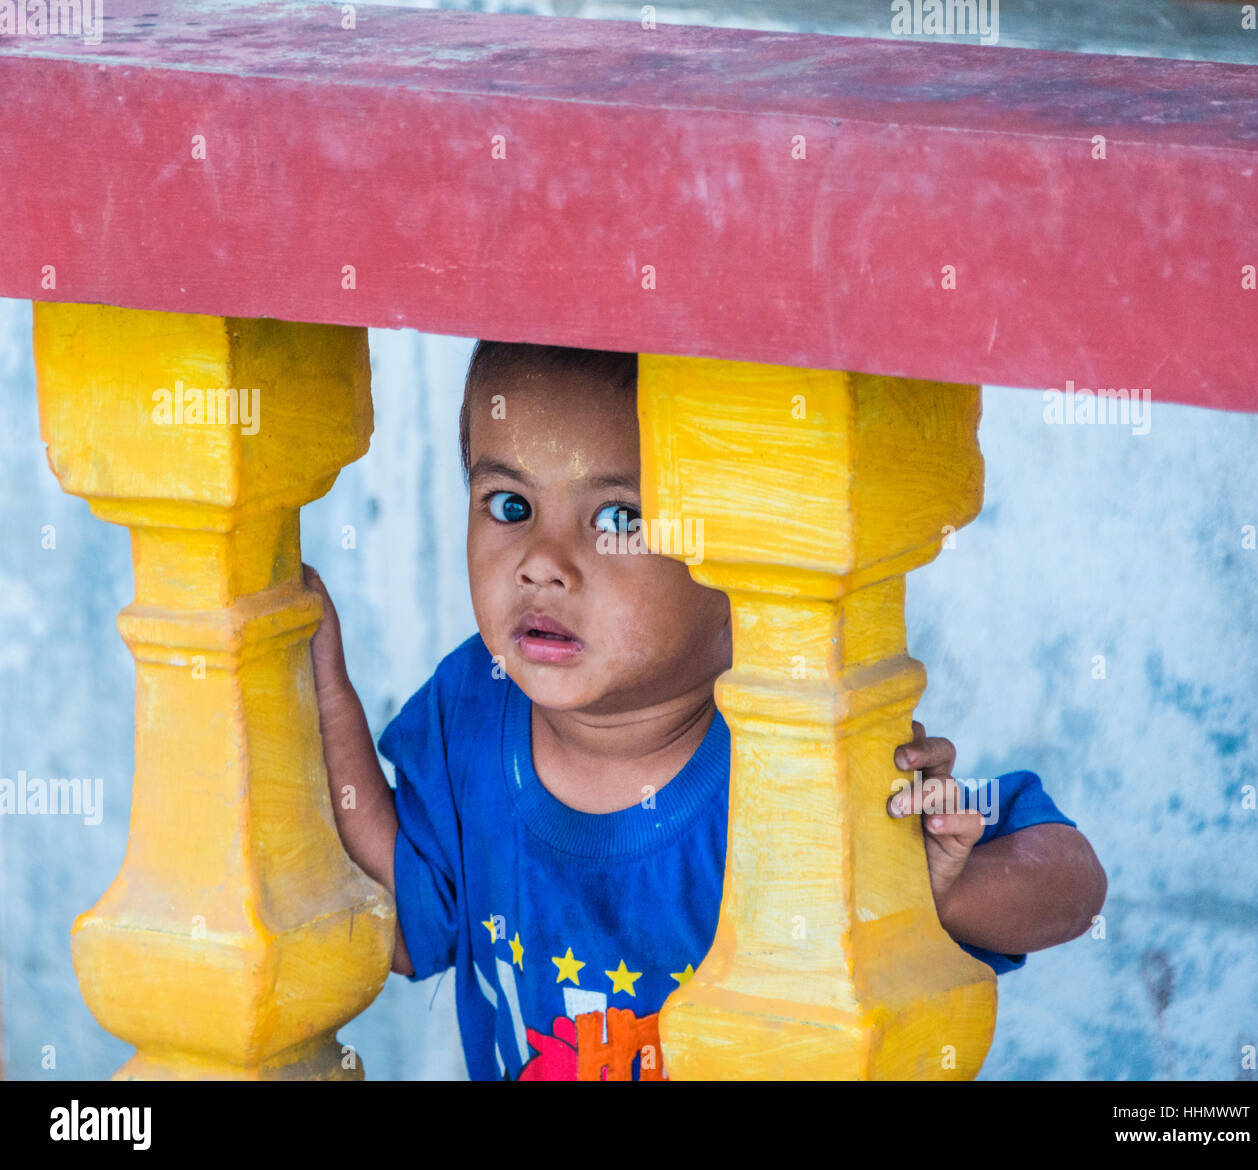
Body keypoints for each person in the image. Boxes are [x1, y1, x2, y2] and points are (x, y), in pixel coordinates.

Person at [303, 342, 1107, 1081]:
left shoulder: (794, 751)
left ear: (738, 560)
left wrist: (932, 892)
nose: (542, 564)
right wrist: (323, 687)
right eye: (510, 505)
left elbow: (1074, 884)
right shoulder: (472, 704)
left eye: (620, 519)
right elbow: (406, 926)